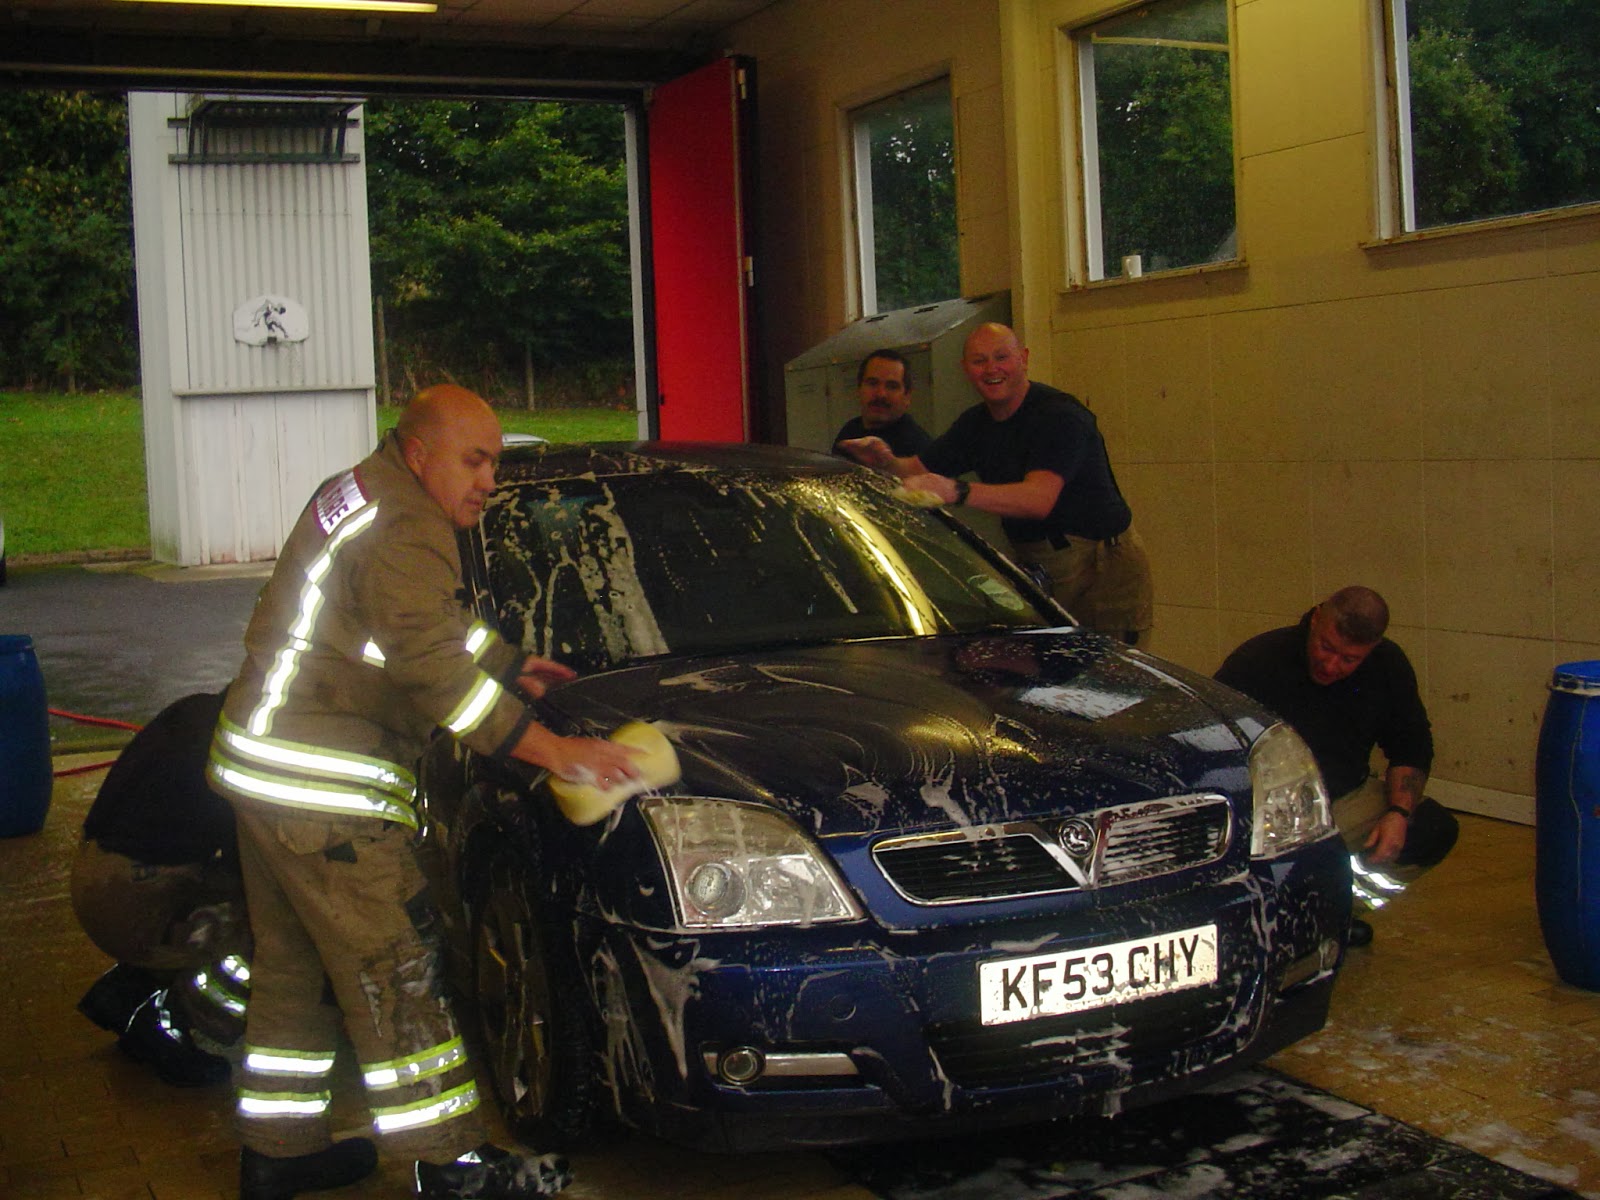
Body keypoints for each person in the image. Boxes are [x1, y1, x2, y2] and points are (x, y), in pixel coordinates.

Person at [207, 384, 643, 1200]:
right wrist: (555, 751)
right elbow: (431, 669)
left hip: (262, 768)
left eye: (495, 462)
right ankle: (455, 1166)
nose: (488, 480)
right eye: (473, 461)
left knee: (296, 966)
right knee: (398, 970)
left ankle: (280, 1149)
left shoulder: (364, 491)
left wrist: (510, 664)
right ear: (419, 452)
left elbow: (416, 621)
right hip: (321, 788)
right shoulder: (411, 527)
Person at [839, 322, 1154, 647]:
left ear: (1023, 359)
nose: (992, 370)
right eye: (979, 361)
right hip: (1036, 562)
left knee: (1105, 674)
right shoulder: (975, 424)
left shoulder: (1059, 417)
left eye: (1001, 357)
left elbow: (1038, 498)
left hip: (1099, 564)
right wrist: (886, 461)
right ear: (966, 370)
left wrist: (958, 491)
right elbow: (918, 468)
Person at [1214, 586, 1459, 947]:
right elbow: (1216, 748)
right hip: (1268, 810)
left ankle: (1333, 913)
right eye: (1326, 647)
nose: (1330, 665)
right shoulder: (1259, 661)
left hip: (1343, 799)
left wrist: (1397, 813)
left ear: (1372, 650)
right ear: (1315, 620)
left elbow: (1412, 745)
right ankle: (1271, 921)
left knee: (1433, 828)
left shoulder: (1388, 666)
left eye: (1349, 659)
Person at [71, 690, 251, 1087]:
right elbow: (253, 855)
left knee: (222, 884)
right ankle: (173, 1023)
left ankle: (125, 990)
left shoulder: (198, 709)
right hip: (134, 894)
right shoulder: (240, 742)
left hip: (97, 875)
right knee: (274, 913)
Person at [831, 347, 933, 459]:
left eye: (892, 386)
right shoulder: (849, 433)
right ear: (859, 389)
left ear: (907, 396)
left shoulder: (920, 449)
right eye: (872, 383)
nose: (881, 394)